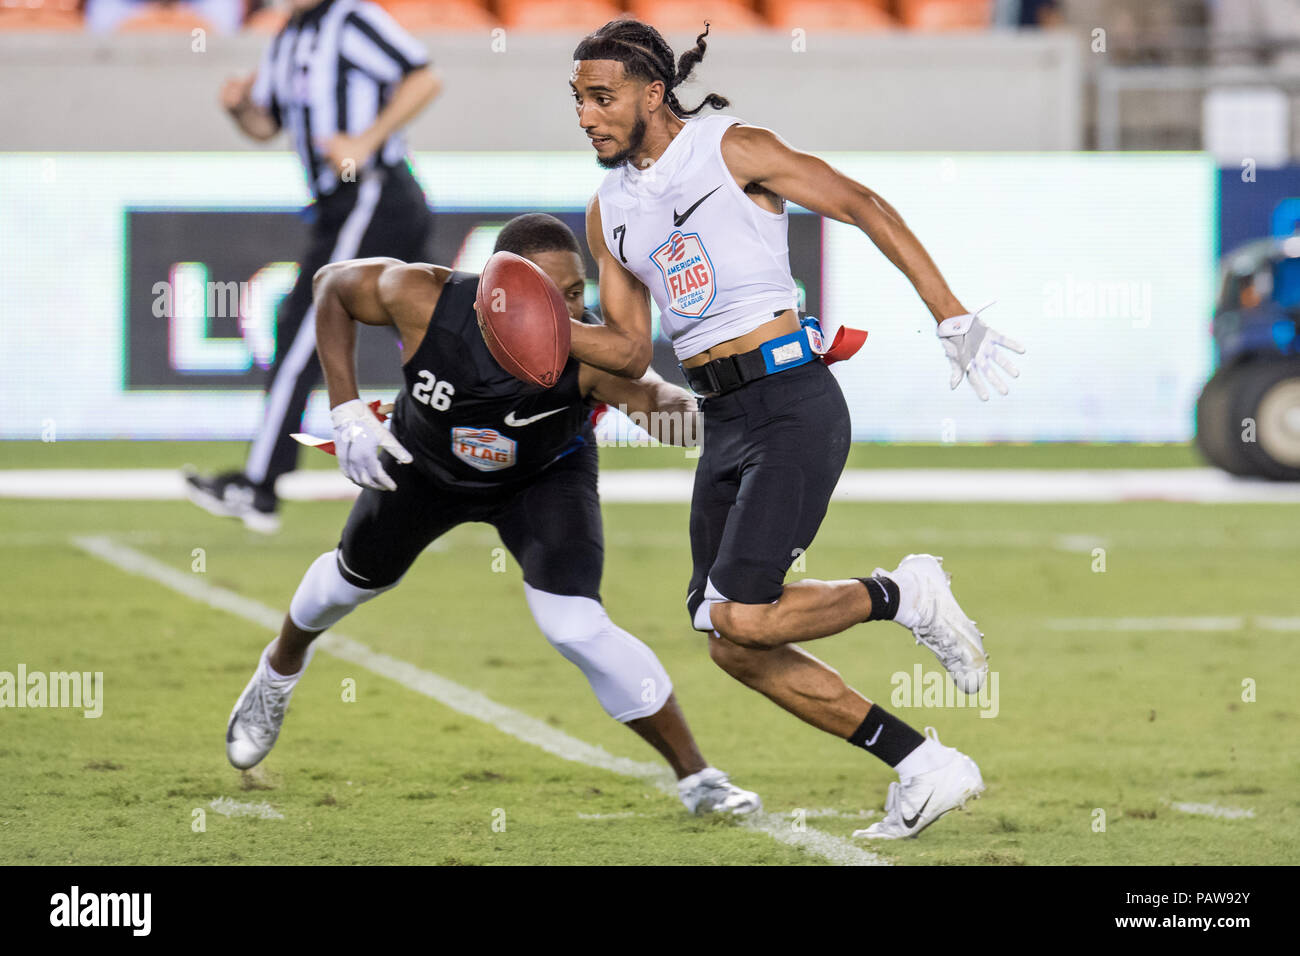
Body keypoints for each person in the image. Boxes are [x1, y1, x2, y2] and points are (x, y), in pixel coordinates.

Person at [567, 19, 1026, 838]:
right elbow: (632, 349)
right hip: (723, 418)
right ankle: (921, 763)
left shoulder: (732, 148)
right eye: (577, 100)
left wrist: (949, 313)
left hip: (792, 403)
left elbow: (858, 202)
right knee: (726, 637)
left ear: (650, 92)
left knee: (741, 612)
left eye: (602, 97)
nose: (587, 115)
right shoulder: (609, 211)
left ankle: (903, 593)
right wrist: (518, 326)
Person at [224, 214, 761, 816]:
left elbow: (659, 406)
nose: (569, 314)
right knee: (348, 584)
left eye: (576, 294)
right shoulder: (425, 298)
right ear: (496, 294)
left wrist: (710, 413)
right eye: (550, 297)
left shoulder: (588, 354)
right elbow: (331, 286)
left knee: (577, 628)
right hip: (422, 466)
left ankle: (698, 777)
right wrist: (346, 407)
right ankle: (279, 668)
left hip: (541, 478)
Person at [185, 0, 440, 533]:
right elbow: (266, 125)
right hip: (339, 205)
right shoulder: (287, 38)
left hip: (371, 194)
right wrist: (238, 109)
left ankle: (259, 485)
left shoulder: (351, 19)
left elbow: (424, 78)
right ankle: (501, 441)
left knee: (303, 328)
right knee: (433, 334)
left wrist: (363, 143)